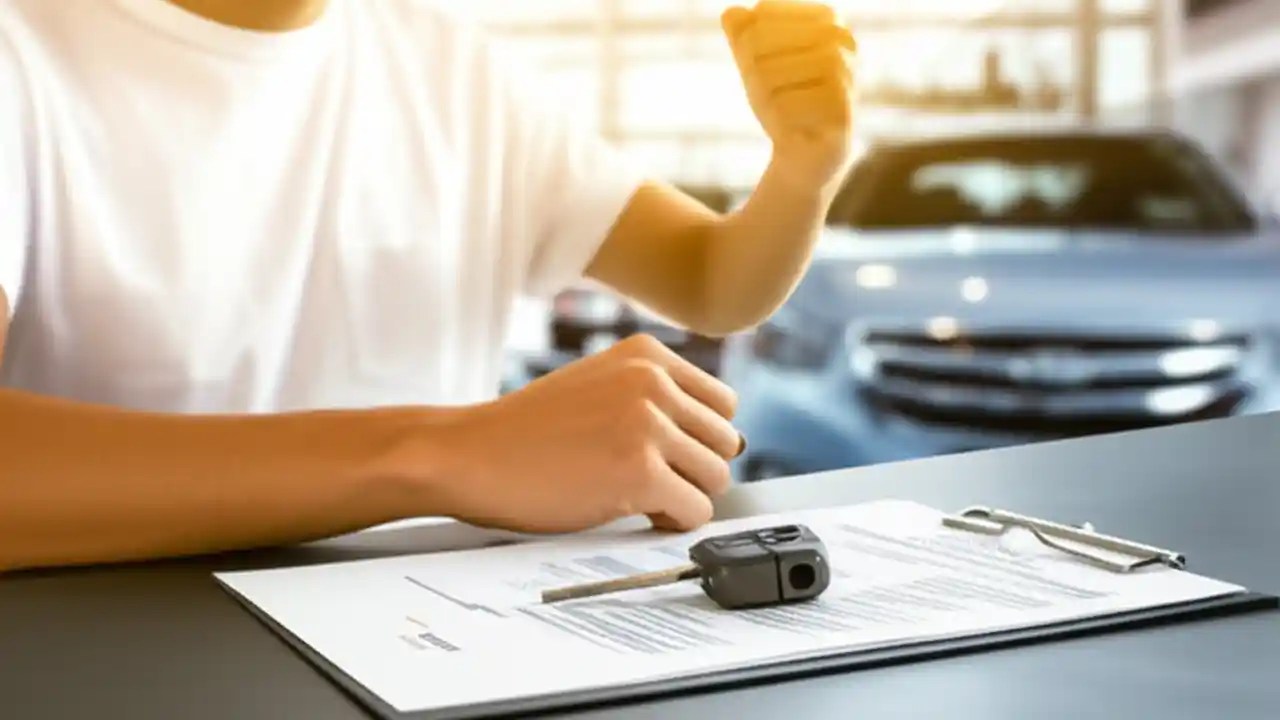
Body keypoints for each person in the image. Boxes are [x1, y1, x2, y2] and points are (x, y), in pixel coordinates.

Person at [0, 0, 857, 572]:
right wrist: (444, 453)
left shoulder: (445, 56)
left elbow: (711, 280)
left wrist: (803, 172)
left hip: (437, 646)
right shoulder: (26, 47)